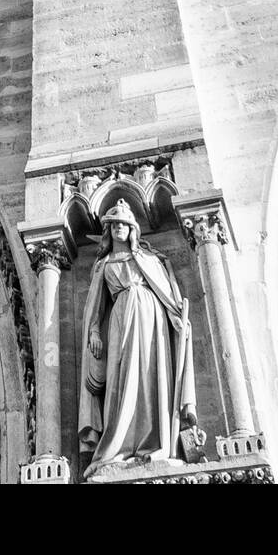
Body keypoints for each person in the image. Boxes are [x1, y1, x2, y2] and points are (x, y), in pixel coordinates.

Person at [79, 202, 196, 475]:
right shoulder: (104, 264)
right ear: (108, 230)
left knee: (150, 379)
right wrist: (94, 331)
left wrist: (178, 320)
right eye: (114, 225)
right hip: (120, 320)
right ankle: (117, 447)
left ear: (132, 229)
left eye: (124, 224)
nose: (119, 228)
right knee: (122, 380)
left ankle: (154, 445)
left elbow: (167, 294)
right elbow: (94, 307)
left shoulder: (148, 259)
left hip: (151, 319)